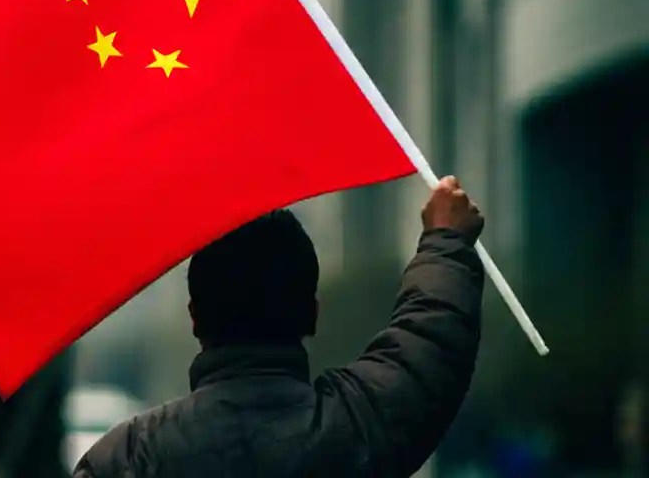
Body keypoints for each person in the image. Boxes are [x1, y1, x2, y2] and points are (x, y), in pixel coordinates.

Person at [73, 176, 485, 477]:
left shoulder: (127, 459)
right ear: (312, 314)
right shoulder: (356, 428)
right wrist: (445, 240)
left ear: (195, 318)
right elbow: (431, 338)